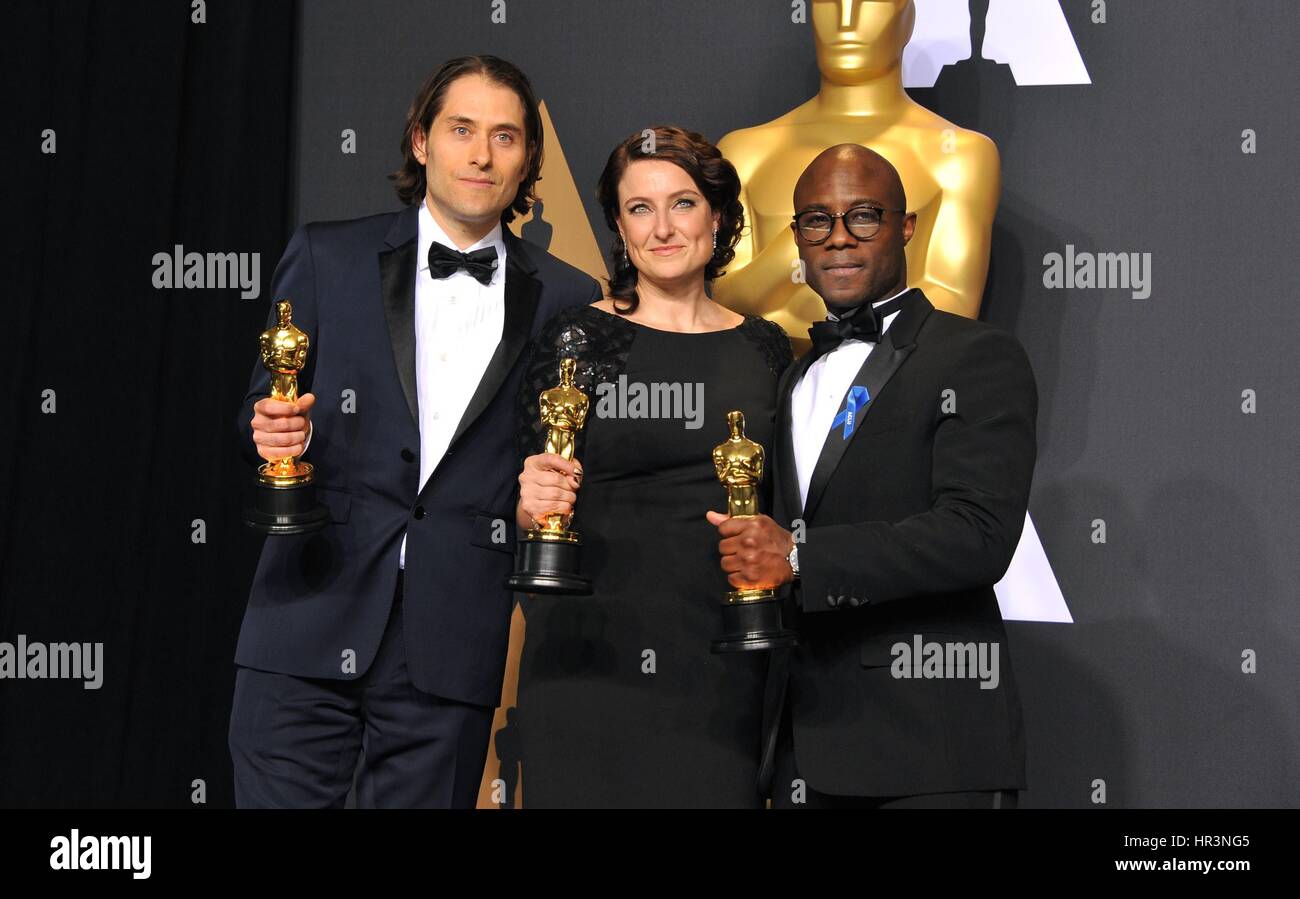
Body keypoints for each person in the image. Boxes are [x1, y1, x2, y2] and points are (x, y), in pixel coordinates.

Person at [229, 55, 600, 808]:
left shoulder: (570, 297)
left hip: (450, 641)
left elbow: (551, 465)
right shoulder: (327, 255)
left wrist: (539, 508)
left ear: (527, 157)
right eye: (462, 129)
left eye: (505, 136)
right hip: (305, 615)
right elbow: (260, 410)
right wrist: (267, 431)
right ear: (422, 141)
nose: (481, 154)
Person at [709, 144, 1037, 808]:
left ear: (907, 226)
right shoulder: (794, 374)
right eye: (815, 220)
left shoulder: (975, 355)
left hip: (929, 749)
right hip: (804, 742)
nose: (837, 238)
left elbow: (978, 535)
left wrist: (799, 555)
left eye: (863, 215)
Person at [513, 126, 793, 808]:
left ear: (719, 216)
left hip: (720, 654)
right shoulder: (576, 337)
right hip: (591, 651)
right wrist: (528, 504)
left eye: (684, 204)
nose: (663, 227)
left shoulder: (767, 348)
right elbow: (529, 492)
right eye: (640, 208)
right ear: (618, 223)